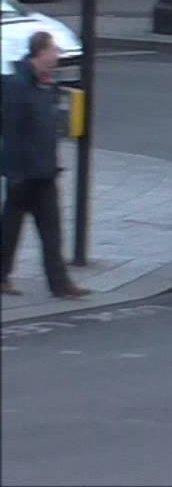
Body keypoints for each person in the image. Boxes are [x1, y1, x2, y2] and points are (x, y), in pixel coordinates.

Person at [1, 32, 90, 299]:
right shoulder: (18, 86)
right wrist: (15, 172)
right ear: (40, 53)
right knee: (11, 229)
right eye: (54, 50)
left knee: (50, 231)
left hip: (44, 171)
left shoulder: (47, 84)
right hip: (24, 174)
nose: (58, 54)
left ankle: (60, 284)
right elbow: (12, 131)